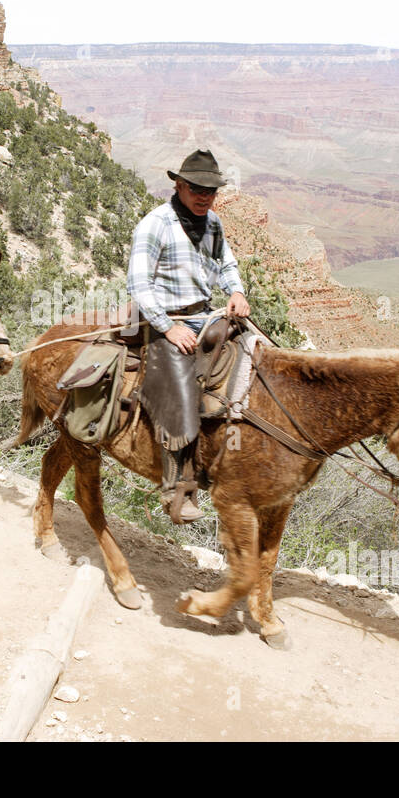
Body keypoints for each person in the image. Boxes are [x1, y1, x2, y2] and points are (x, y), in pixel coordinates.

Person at [127, 149, 251, 524]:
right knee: (179, 388)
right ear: (178, 186)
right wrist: (167, 326)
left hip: (206, 314)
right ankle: (176, 487)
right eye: (197, 189)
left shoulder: (212, 223)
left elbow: (226, 264)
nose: (205, 197)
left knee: (254, 360)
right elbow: (138, 283)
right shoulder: (156, 224)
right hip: (164, 318)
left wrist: (236, 291)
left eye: (211, 191)